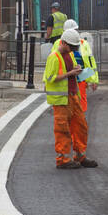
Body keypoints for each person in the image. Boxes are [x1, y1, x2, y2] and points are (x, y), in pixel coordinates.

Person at [43, 28, 95, 169]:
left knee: (80, 126)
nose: (73, 49)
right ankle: (63, 160)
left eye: (74, 47)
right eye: (71, 46)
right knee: (62, 130)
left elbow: (70, 71)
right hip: (61, 100)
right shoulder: (54, 57)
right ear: (64, 43)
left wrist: (76, 69)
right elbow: (49, 78)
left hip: (72, 96)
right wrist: (70, 73)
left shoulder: (69, 55)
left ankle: (80, 156)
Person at [62, 19, 99, 113]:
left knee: (81, 104)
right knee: (67, 106)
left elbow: (90, 63)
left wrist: (93, 80)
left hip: (80, 77)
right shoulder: (59, 44)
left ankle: (80, 123)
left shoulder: (83, 43)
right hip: (65, 78)